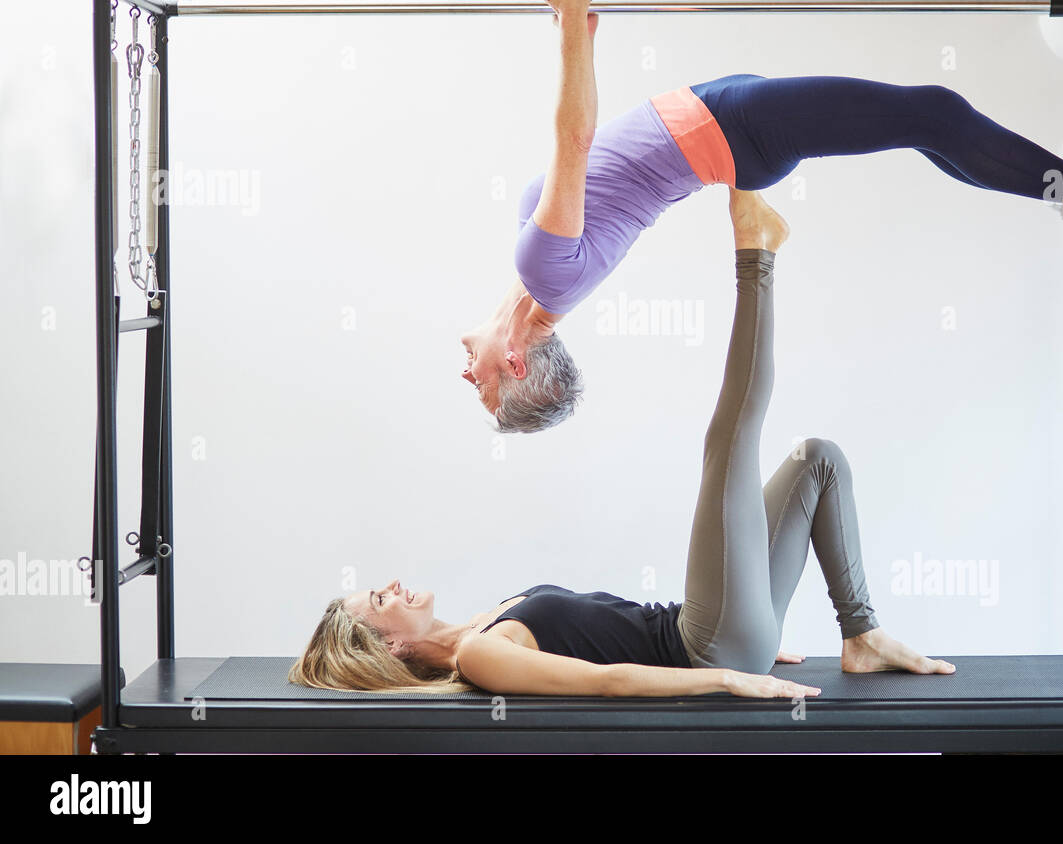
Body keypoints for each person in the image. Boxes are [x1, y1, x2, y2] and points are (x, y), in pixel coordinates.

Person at [459, 0, 1063, 433]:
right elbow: (575, 143)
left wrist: (582, 35)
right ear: (519, 364)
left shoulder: (535, 289)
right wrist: (567, 23)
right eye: (488, 389)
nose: (471, 376)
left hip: (727, 126)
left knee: (928, 128)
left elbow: (589, 170)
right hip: (736, 129)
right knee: (933, 112)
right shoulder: (547, 275)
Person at [292, 191, 955, 698]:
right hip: (709, 650)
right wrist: (727, 678)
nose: (392, 586)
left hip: (716, 630)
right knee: (729, 436)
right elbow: (609, 684)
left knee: (817, 460)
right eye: (379, 601)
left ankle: (861, 634)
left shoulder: (483, 625)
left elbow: (613, 638)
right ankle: (755, 252)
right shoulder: (480, 657)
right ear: (395, 652)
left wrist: (743, 624)